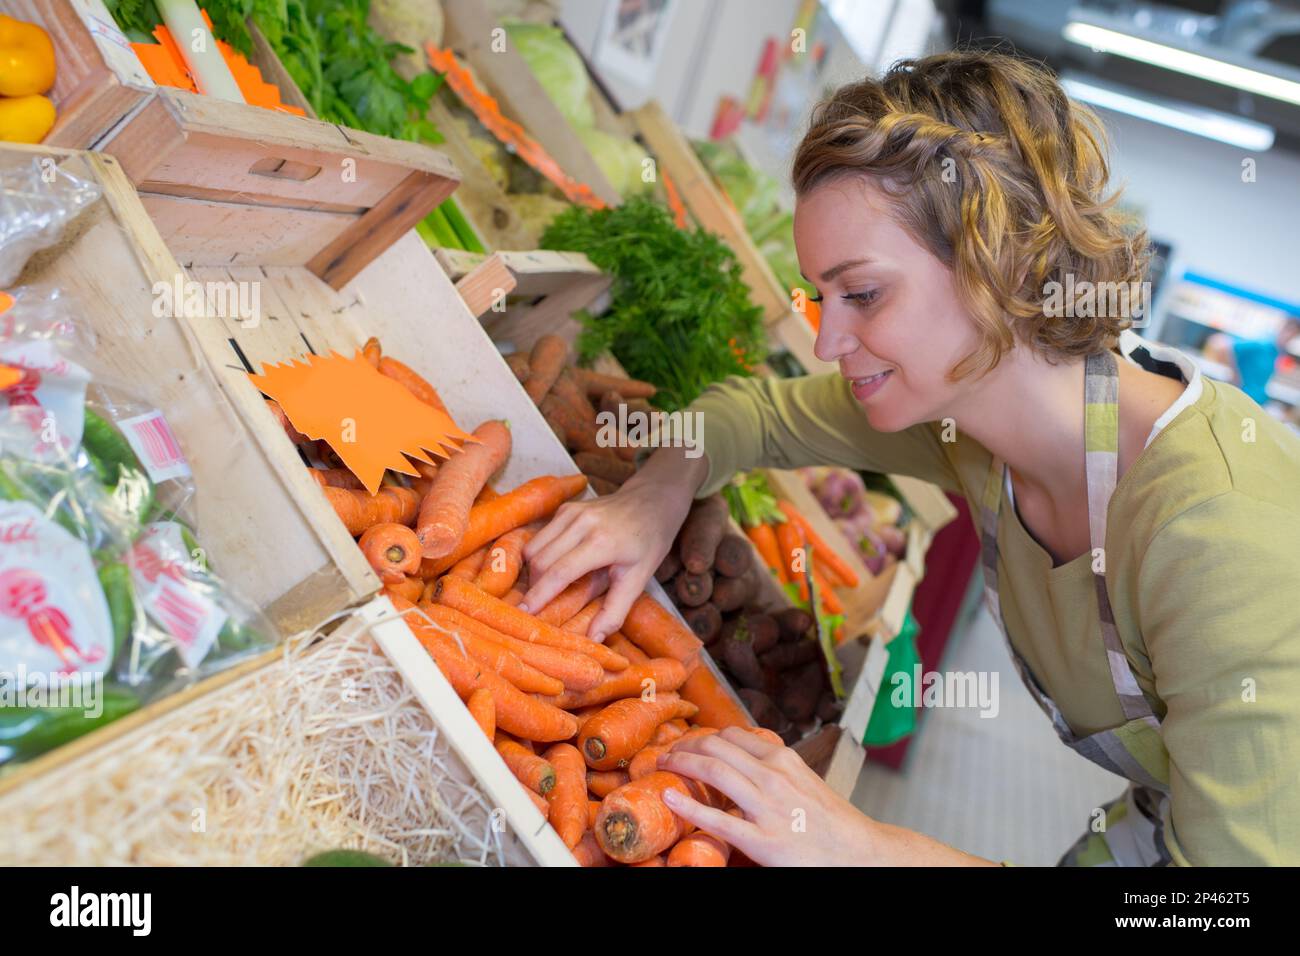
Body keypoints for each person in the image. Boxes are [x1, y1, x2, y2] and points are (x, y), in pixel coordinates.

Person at [518, 51, 1300, 866]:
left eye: (862, 294)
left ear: (1000, 264)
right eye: (822, 299)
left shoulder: (1217, 533)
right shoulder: (969, 408)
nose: (825, 340)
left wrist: (865, 850)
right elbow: (747, 414)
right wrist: (653, 497)